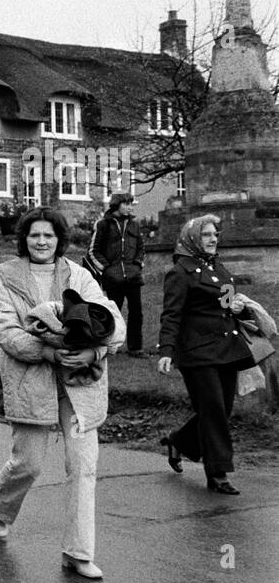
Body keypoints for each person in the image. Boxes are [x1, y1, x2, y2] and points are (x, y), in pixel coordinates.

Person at [0, 208, 124, 580]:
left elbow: (113, 323)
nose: (42, 242)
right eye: (34, 236)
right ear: (24, 239)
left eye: (48, 236)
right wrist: (47, 351)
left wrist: (95, 351)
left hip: (79, 386)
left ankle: (78, 552)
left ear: (60, 240)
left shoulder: (79, 276)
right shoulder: (5, 280)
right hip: (32, 382)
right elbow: (6, 332)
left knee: (83, 465)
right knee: (27, 464)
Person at [156, 215, 266, 496]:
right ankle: (218, 473)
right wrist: (166, 350)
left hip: (227, 350)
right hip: (197, 353)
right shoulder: (180, 272)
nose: (213, 239)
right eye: (206, 235)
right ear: (193, 238)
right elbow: (171, 315)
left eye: (215, 234)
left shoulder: (222, 269)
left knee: (220, 409)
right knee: (214, 409)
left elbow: (228, 306)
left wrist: (240, 309)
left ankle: (179, 442)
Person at [89, 193, 146, 355]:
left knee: (136, 313)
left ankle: (136, 348)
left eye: (131, 204)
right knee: (113, 313)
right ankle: (108, 345)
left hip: (133, 277)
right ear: (117, 205)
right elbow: (94, 251)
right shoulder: (103, 225)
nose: (130, 207)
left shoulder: (135, 225)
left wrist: (137, 265)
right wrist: (107, 270)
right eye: (126, 204)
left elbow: (141, 249)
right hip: (114, 278)